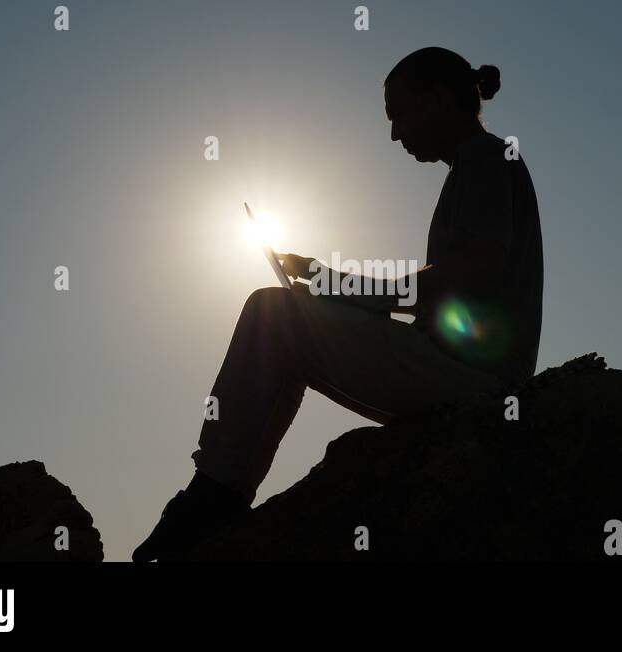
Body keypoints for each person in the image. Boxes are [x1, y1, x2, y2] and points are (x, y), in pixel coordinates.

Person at [132, 46, 544, 561]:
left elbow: (471, 279)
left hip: (476, 382)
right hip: (460, 370)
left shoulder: (485, 156)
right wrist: (333, 284)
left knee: (273, 314)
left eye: (399, 115)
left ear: (440, 99)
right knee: (287, 319)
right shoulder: (474, 166)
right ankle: (220, 491)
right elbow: (450, 293)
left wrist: (343, 290)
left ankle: (216, 492)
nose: (395, 134)